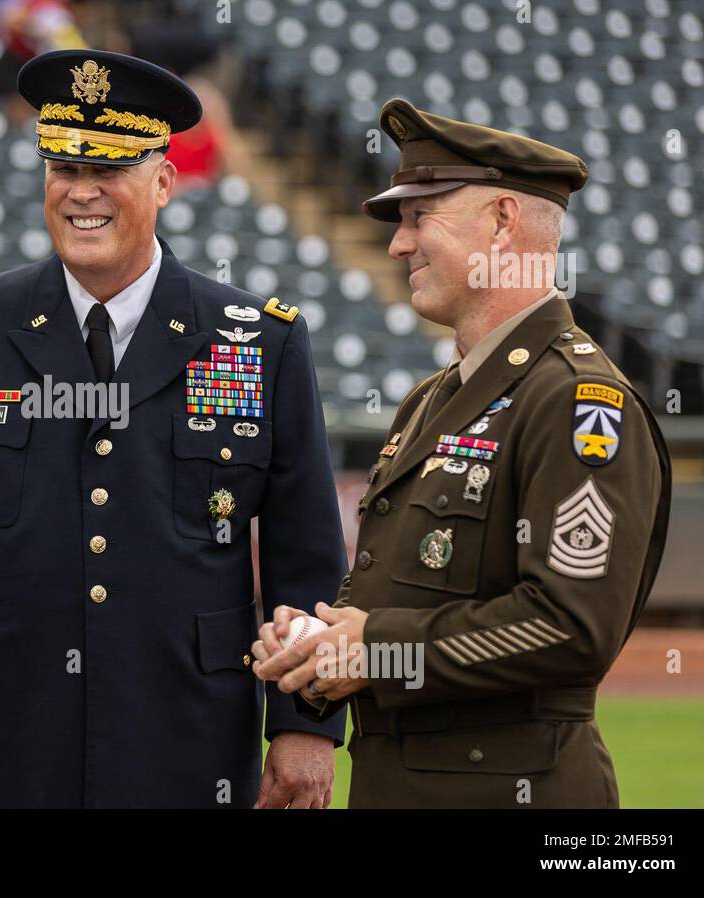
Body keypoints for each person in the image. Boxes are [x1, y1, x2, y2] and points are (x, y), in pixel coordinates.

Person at [0, 49, 346, 809]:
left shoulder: (259, 343)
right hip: (2, 741)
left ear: (164, 180)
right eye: (62, 167)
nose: (81, 192)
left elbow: (306, 558)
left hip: (188, 743)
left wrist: (305, 723)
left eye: (111, 169)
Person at [251, 99, 672, 808]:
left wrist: (373, 649)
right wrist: (316, 647)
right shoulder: (433, 399)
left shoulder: (577, 401)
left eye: (421, 218)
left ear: (502, 224)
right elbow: (390, 596)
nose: (397, 243)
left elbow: (569, 628)